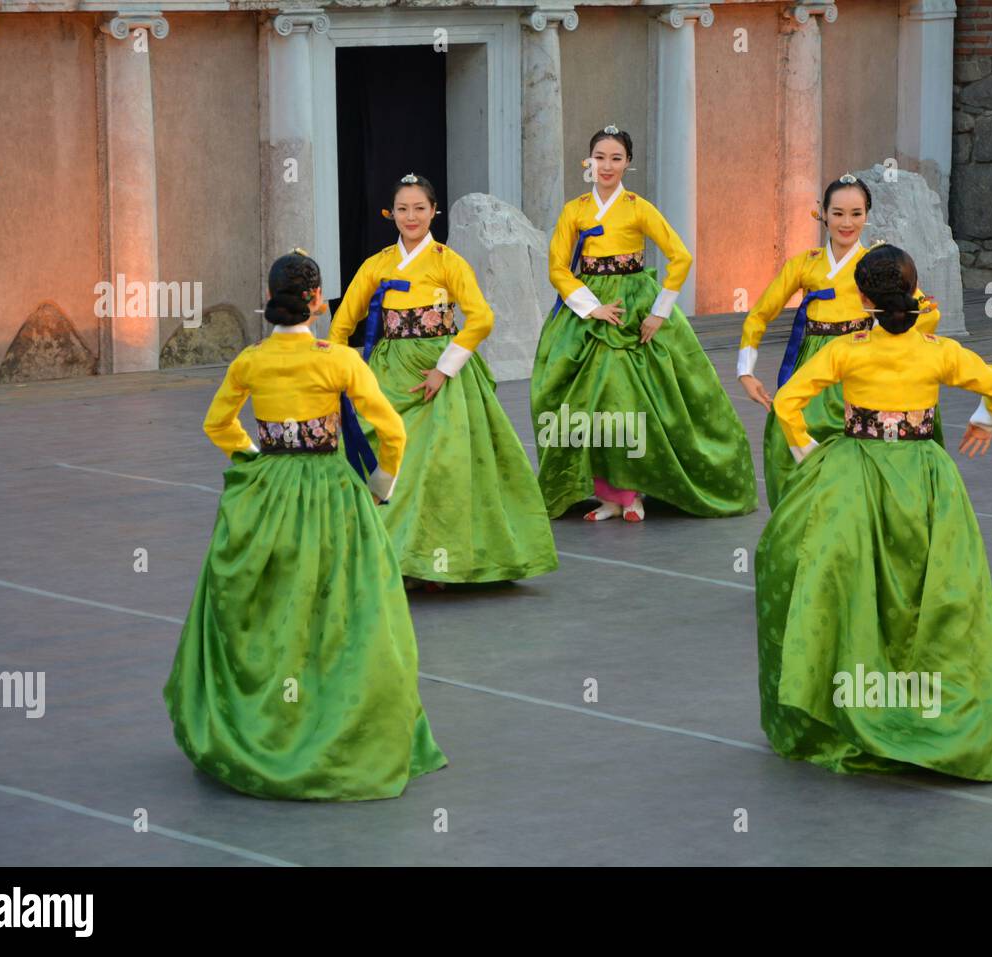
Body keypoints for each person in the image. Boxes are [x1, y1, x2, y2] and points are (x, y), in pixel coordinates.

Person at [164, 250, 447, 800]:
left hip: (268, 490)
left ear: (269, 299)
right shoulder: (338, 361)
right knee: (346, 606)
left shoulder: (249, 361)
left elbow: (216, 422)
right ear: (318, 301)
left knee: (270, 606)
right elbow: (394, 432)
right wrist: (381, 486)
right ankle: (341, 718)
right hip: (330, 489)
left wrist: (250, 457)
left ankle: (261, 720)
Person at [755, 244, 992, 782]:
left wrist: (807, 455)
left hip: (854, 473)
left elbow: (786, 402)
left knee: (828, 577)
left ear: (865, 298)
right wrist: (985, 422)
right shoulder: (937, 350)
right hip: (924, 478)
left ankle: (837, 702)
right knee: (933, 588)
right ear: (912, 293)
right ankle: (932, 707)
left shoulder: (848, 350)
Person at [329, 174, 558, 587]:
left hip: (439, 372)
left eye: (419, 208)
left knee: (439, 465)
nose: (411, 216)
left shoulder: (447, 261)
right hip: (388, 371)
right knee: (386, 462)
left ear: (433, 211)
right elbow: (340, 325)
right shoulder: (376, 264)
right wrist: (346, 376)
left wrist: (445, 367)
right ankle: (394, 556)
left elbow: (482, 317)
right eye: (402, 209)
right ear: (391, 214)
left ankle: (433, 560)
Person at [531, 125, 757, 522]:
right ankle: (607, 495)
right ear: (588, 161)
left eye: (616, 158)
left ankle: (632, 491)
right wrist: (591, 307)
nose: (607, 165)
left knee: (632, 399)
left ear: (628, 163)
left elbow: (680, 256)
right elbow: (557, 268)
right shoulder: (575, 210)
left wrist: (659, 312)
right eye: (599, 157)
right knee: (588, 404)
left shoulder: (638, 206)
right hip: (590, 310)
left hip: (634, 303)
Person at [736, 174, 941, 510]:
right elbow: (760, 313)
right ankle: (804, 519)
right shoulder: (805, 263)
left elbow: (922, 311)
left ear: (867, 215)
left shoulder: (879, 263)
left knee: (867, 441)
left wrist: (901, 332)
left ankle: (866, 518)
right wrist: (746, 370)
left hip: (862, 360)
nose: (847, 223)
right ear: (823, 213)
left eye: (856, 213)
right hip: (814, 363)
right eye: (839, 213)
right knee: (783, 434)